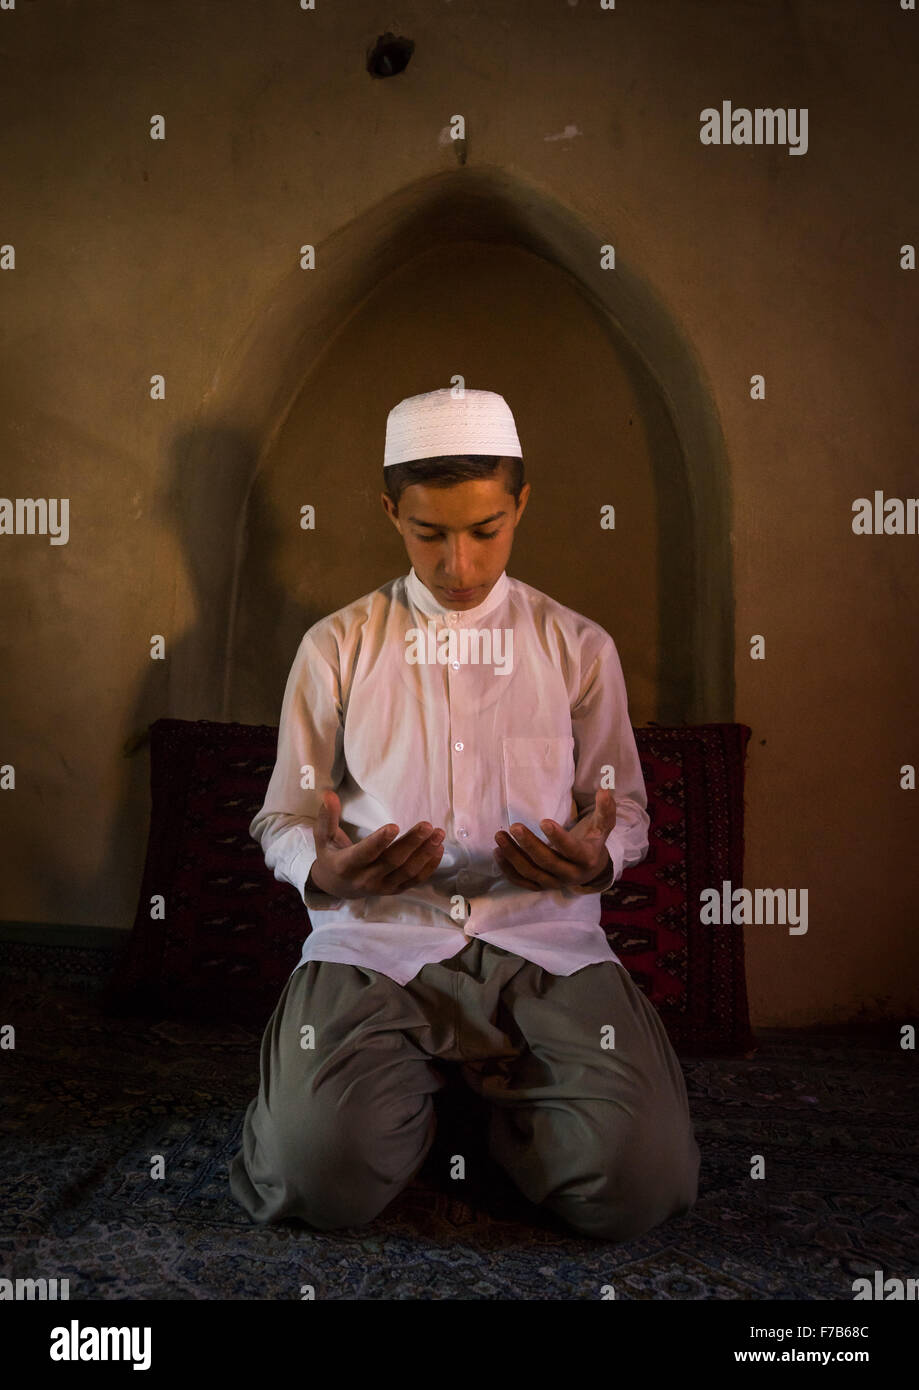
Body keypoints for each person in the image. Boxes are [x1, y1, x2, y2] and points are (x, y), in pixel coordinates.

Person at [228, 387, 700, 1241]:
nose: (459, 565)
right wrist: (322, 868)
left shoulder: (577, 647)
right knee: (311, 1184)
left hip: (542, 944)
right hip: (380, 942)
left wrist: (595, 858)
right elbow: (284, 819)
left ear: (520, 504)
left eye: (485, 531)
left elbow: (620, 807)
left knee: (640, 1188)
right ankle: (416, 1108)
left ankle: (459, 1111)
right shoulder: (337, 645)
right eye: (429, 533)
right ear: (389, 513)